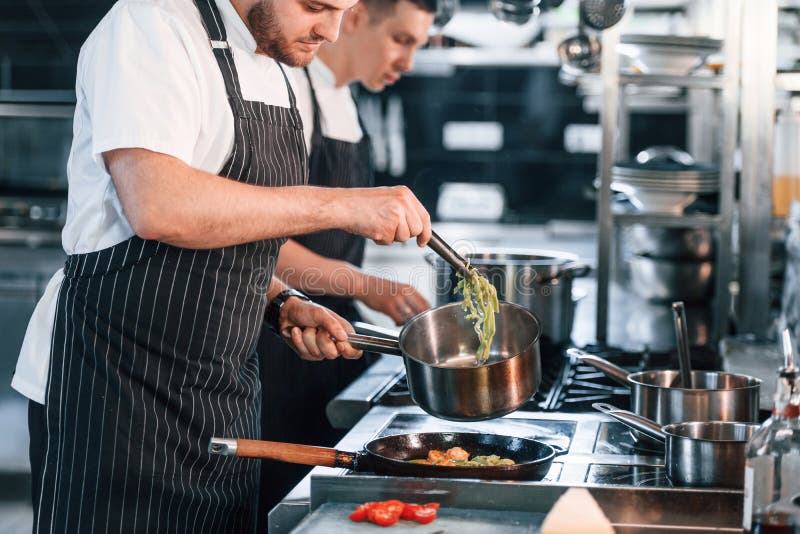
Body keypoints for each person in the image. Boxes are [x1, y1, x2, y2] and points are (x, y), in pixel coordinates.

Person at [10, 1, 432, 532]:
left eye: (343, 10)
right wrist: (340, 204)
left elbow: (226, 230)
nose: (330, 30)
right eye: (316, 7)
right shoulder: (151, 25)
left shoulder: (272, 63)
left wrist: (280, 302)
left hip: (219, 393)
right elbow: (158, 206)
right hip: (113, 393)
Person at [257, 0, 435, 519]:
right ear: (355, 18)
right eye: (401, 40)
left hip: (324, 339)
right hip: (279, 341)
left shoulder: (346, 98)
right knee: (279, 501)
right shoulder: (288, 91)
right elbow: (263, 242)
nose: (406, 62)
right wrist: (362, 284)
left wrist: (361, 287)